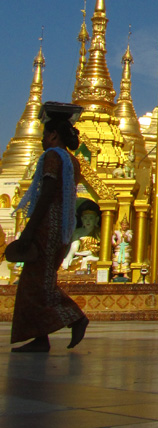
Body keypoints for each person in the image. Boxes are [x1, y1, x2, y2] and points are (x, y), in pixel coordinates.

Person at [9, 102, 89, 352]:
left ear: (53, 134)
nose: (43, 139)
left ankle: (75, 316)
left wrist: (30, 229)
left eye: (45, 134)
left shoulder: (52, 156)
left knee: (37, 282)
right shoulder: (73, 161)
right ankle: (40, 337)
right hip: (62, 229)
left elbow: (46, 193)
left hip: (46, 225)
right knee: (38, 280)